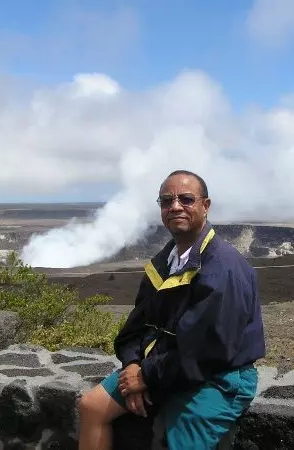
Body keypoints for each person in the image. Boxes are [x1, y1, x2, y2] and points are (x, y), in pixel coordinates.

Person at [78, 170, 265, 450]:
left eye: (186, 199)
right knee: (91, 406)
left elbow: (209, 351)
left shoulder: (222, 269)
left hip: (219, 376)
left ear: (206, 205)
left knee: (176, 443)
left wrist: (145, 377)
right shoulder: (166, 262)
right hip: (165, 365)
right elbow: (136, 327)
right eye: (166, 201)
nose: (175, 206)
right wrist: (131, 366)